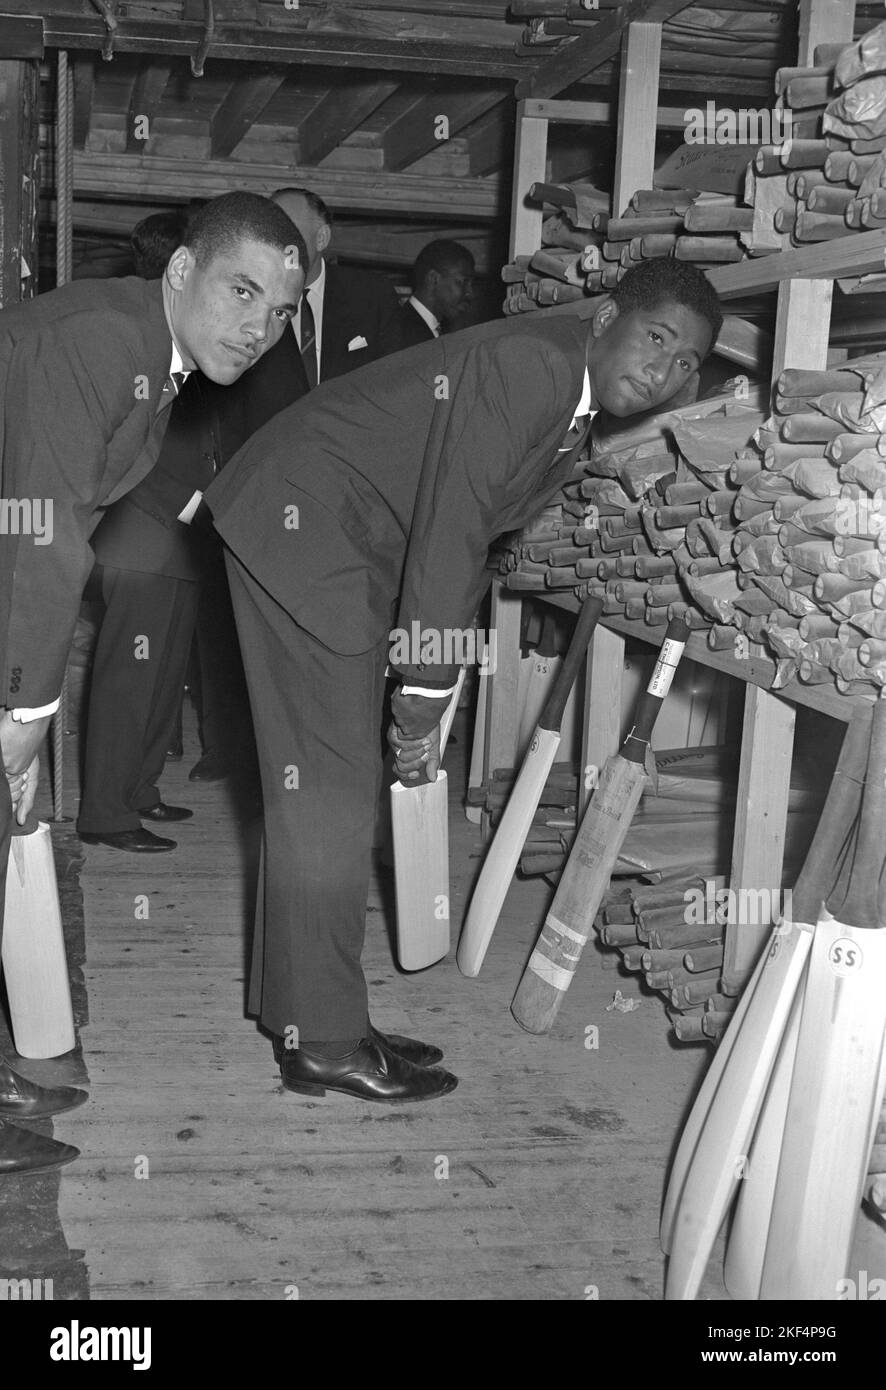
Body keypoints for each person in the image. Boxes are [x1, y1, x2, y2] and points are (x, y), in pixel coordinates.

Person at [205, 258, 723, 1106]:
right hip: (306, 528)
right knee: (331, 790)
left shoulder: (570, 401)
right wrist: (427, 683)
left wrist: (429, 677)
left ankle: (304, 1014)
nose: (664, 371)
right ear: (603, 317)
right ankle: (326, 1042)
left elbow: (476, 537)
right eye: (656, 338)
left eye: (685, 362)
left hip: (335, 536)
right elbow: (448, 527)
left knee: (323, 788)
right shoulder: (535, 367)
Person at [0, 192, 305, 1174]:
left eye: (281, 309)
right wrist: (24, 708)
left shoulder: (155, 354)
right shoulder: (101, 340)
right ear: (182, 272)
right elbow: (40, 531)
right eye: (241, 290)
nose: (257, 326)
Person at [270, 186, 402, 385]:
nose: (275, 244)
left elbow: (396, 380)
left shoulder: (372, 297)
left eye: (288, 233)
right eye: (269, 234)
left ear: (321, 238)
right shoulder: (252, 302)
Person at [396, 239, 475, 347]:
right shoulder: (400, 330)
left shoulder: (437, 331)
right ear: (433, 279)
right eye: (463, 282)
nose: (470, 293)